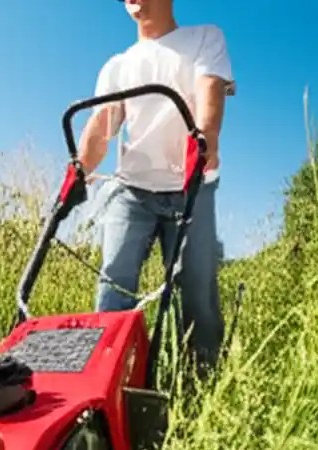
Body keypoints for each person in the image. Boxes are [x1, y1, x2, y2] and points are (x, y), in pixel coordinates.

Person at [76, 0, 232, 372]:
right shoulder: (119, 65)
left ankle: (201, 382)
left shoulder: (204, 38)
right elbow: (101, 129)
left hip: (192, 186)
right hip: (132, 191)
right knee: (114, 284)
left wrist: (205, 139)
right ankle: (109, 377)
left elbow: (209, 89)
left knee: (197, 295)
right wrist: (77, 172)